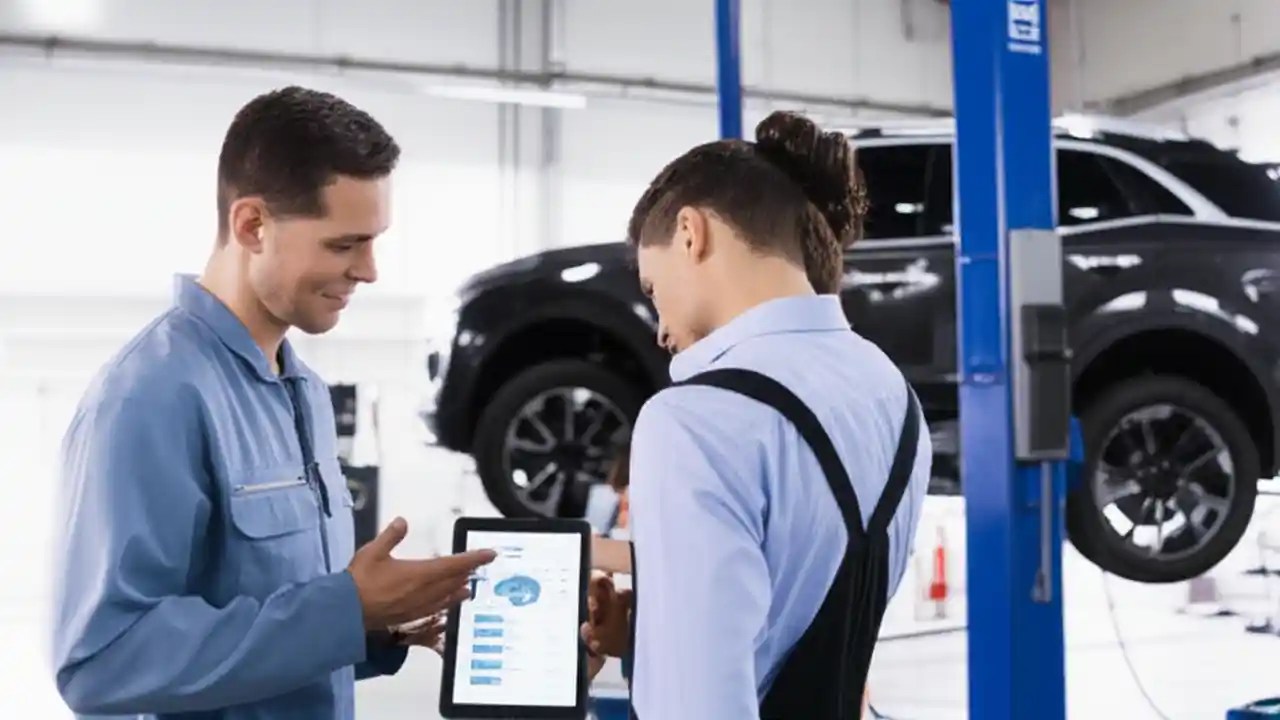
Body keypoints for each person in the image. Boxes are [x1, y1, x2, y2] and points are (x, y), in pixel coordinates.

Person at [49, 86, 497, 719]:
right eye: (343, 245)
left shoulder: (305, 392)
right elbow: (103, 662)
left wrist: (375, 629)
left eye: (374, 242)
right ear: (251, 225)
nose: (368, 270)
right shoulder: (150, 398)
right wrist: (347, 608)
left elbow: (273, 619)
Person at [581, 111, 933, 719]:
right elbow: (792, 624)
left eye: (651, 288)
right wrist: (654, 640)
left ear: (690, 234)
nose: (661, 329)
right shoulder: (893, 396)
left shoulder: (693, 422)